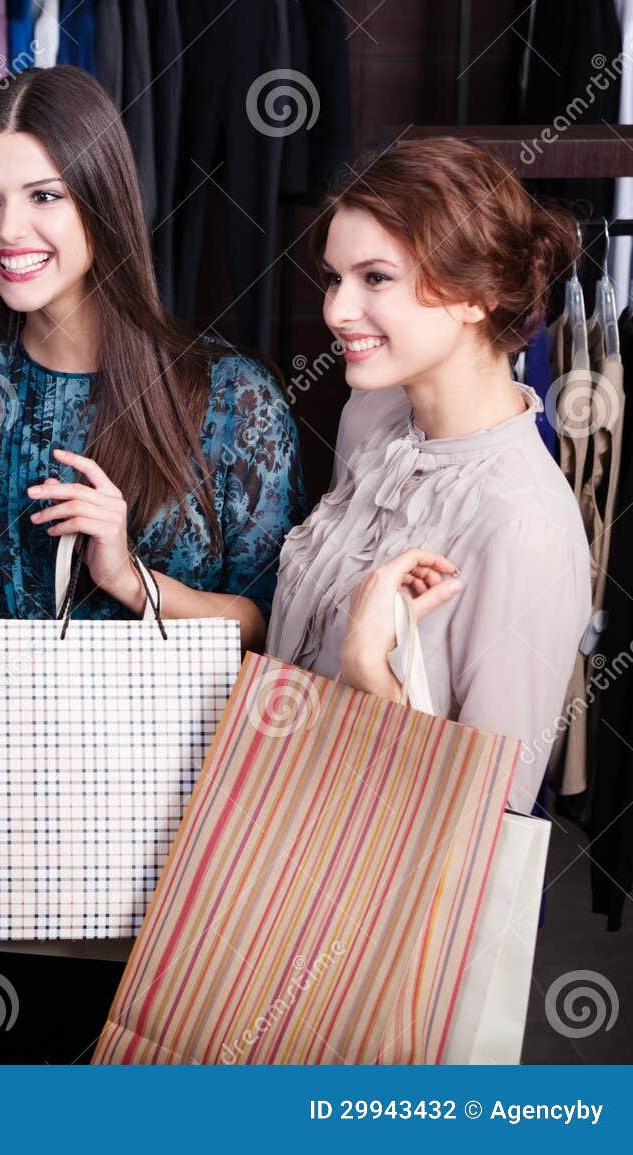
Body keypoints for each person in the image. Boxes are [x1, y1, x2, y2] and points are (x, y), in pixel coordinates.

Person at [0, 66, 306, 1064]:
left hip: (173, 810)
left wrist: (131, 577)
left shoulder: (230, 399)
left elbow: (269, 626)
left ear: (101, 198)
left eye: (43, 193)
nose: (7, 227)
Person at [267, 137, 592, 813]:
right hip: (276, 844)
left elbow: (483, 819)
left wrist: (366, 666)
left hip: (378, 903)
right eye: (333, 277)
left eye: (375, 278)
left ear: (474, 295)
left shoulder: (522, 524)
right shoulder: (373, 416)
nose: (335, 310)